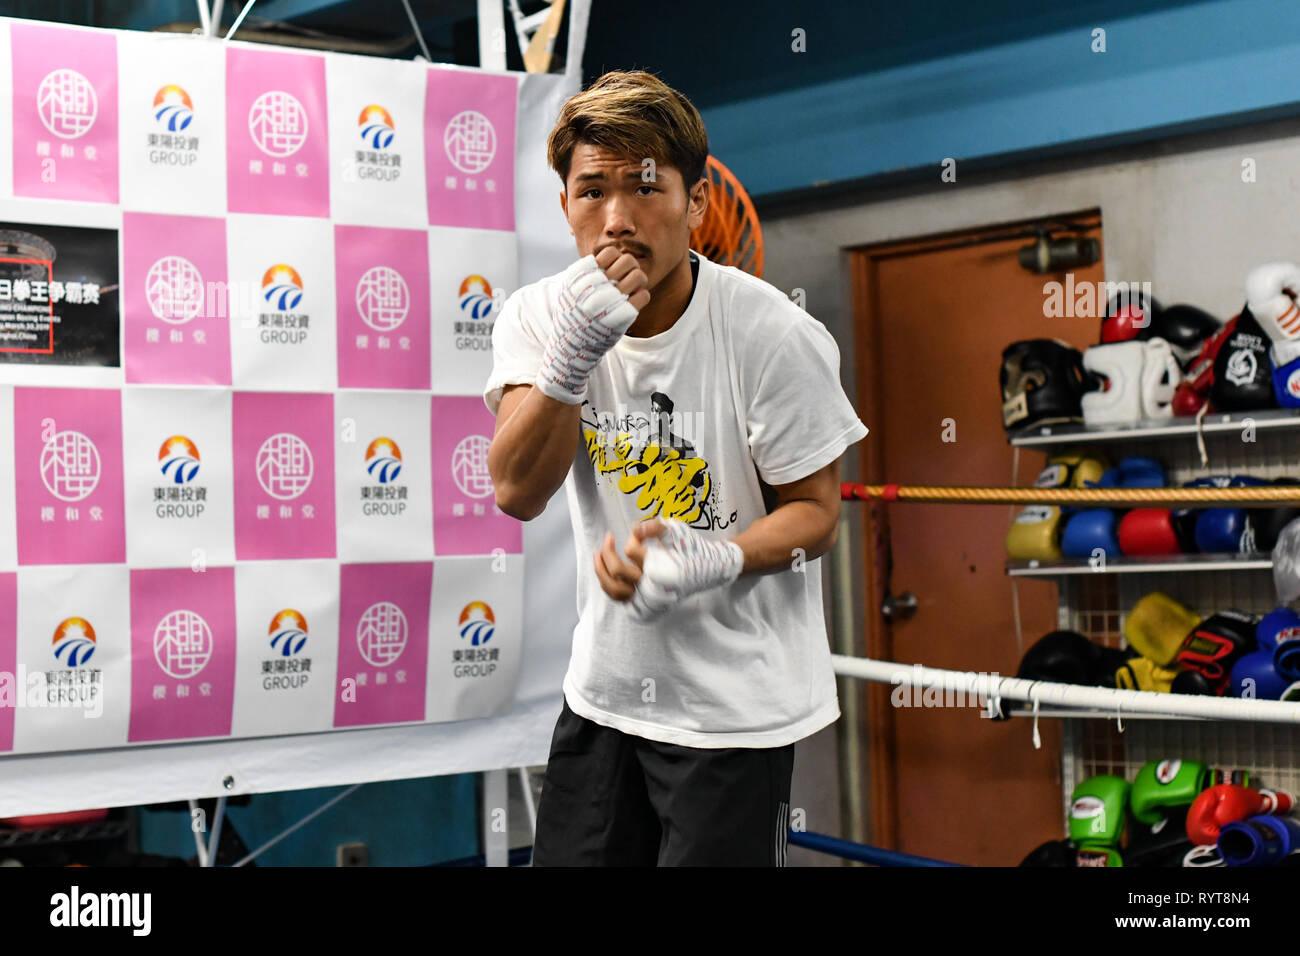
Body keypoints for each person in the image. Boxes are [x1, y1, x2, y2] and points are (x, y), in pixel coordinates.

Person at [483, 70, 867, 866]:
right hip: (603, 696)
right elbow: (518, 491)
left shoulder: (771, 334)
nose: (617, 220)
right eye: (592, 191)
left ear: (696, 204)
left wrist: (715, 557)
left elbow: (818, 515)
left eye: (646, 187)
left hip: (735, 709)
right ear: (565, 207)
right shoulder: (537, 315)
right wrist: (568, 363)